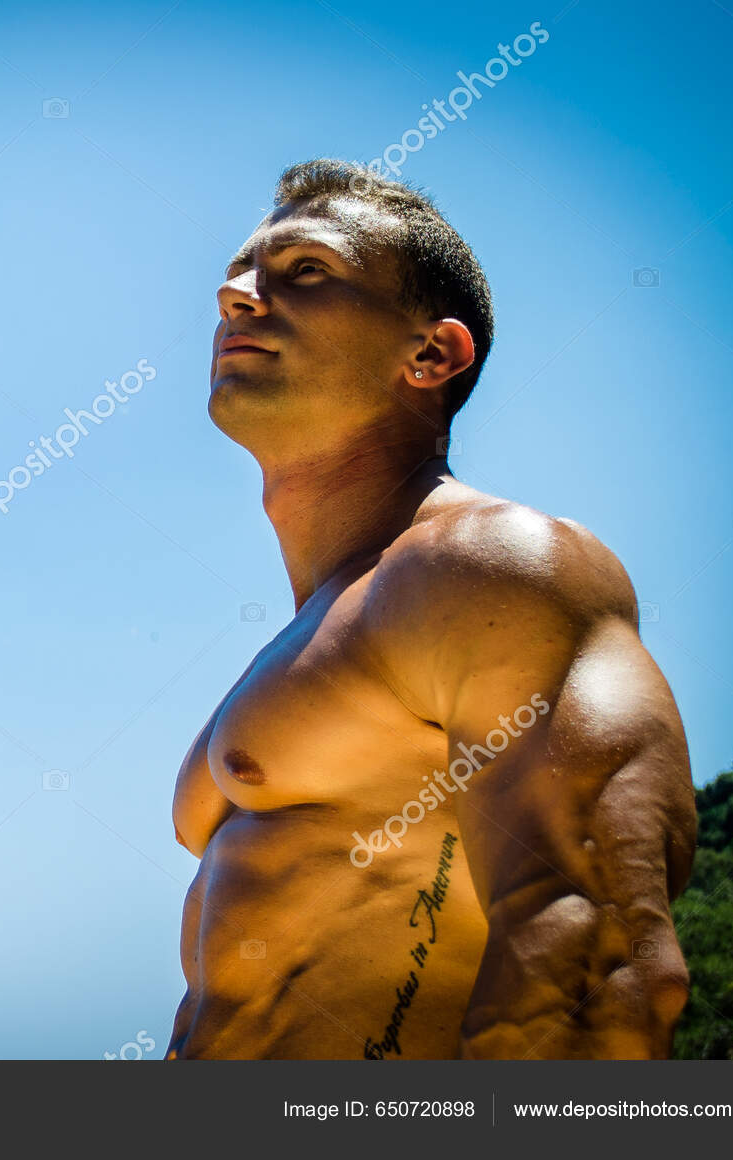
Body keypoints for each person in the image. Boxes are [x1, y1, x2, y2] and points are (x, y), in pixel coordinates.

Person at [166, 160, 696, 1059]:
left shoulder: (492, 564)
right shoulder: (312, 634)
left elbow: (594, 958)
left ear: (432, 354)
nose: (236, 295)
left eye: (305, 271)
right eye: (238, 276)